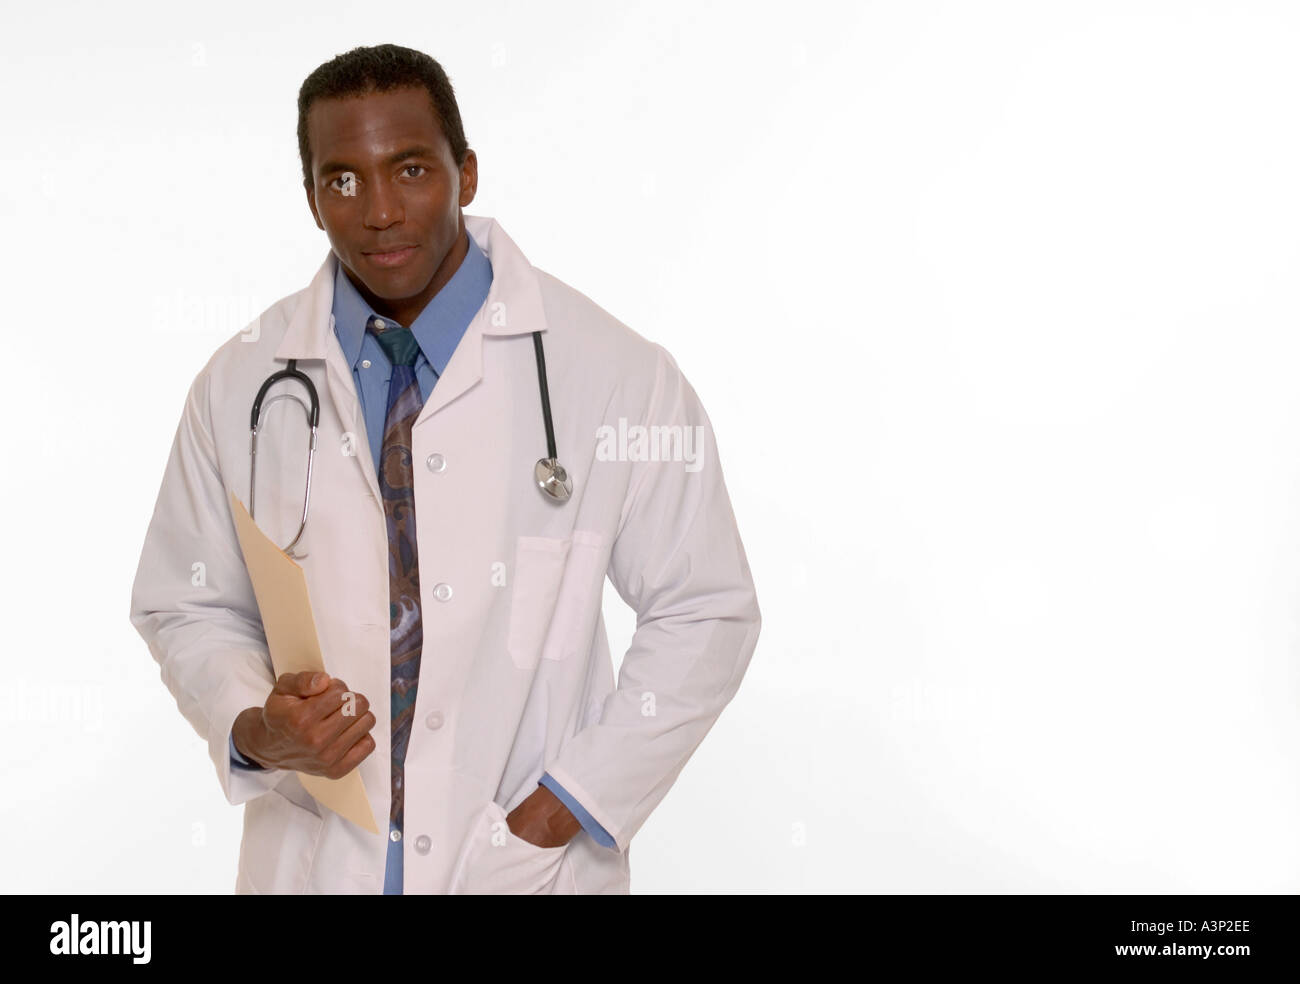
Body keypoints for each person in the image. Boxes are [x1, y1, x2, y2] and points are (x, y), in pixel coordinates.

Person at [129, 43, 760, 894]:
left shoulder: (614, 374)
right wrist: (254, 725)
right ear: (313, 200)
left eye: (412, 169)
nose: (379, 210)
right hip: (314, 862)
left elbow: (706, 610)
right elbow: (187, 603)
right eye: (342, 180)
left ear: (466, 174)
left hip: (518, 866)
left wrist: (560, 809)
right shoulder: (242, 381)